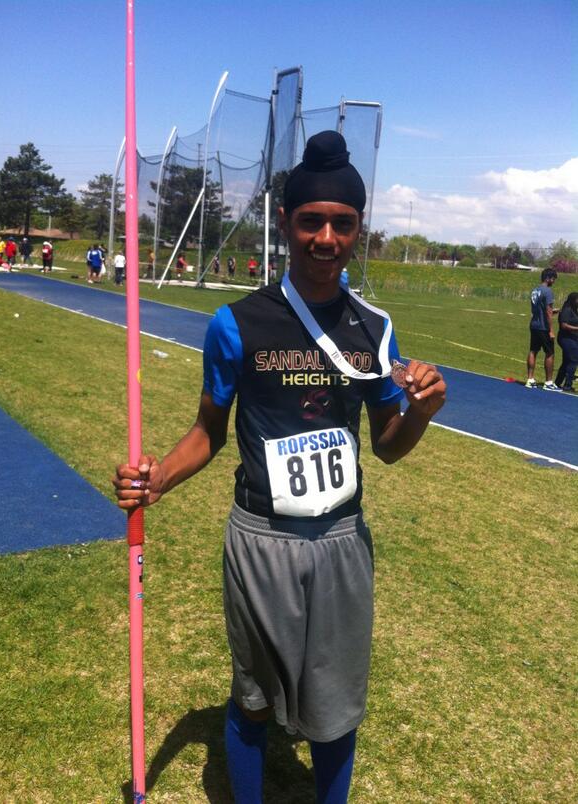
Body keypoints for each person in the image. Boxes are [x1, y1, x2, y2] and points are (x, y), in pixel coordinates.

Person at [113, 131, 446, 804]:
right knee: (255, 698)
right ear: (286, 223)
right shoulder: (236, 323)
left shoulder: (374, 327)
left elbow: (386, 444)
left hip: (341, 540)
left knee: (335, 706)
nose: (326, 238)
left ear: (358, 229)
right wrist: (159, 478)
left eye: (342, 224)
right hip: (261, 538)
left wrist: (421, 412)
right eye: (310, 221)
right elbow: (208, 432)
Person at [525, 268, 559, 390]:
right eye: (553, 279)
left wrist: (552, 311)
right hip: (544, 327)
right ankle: (548, 382)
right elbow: (548, 312)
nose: (554, 281)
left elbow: (540, 308)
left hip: (534, 325)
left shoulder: (535, 290)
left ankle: (530, 379)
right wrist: (551, 330)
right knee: (550, 353)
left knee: (533, 351)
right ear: (548, 278)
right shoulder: (548, 291)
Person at [554, 292, 578, 393]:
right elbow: (564, 325)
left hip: (572, 338)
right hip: (566, 338)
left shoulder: (574, 310)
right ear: (573, 300)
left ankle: (557, 383)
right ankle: (568, 385)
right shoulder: (567, 310)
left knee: (567, 361)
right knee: (573, 360)